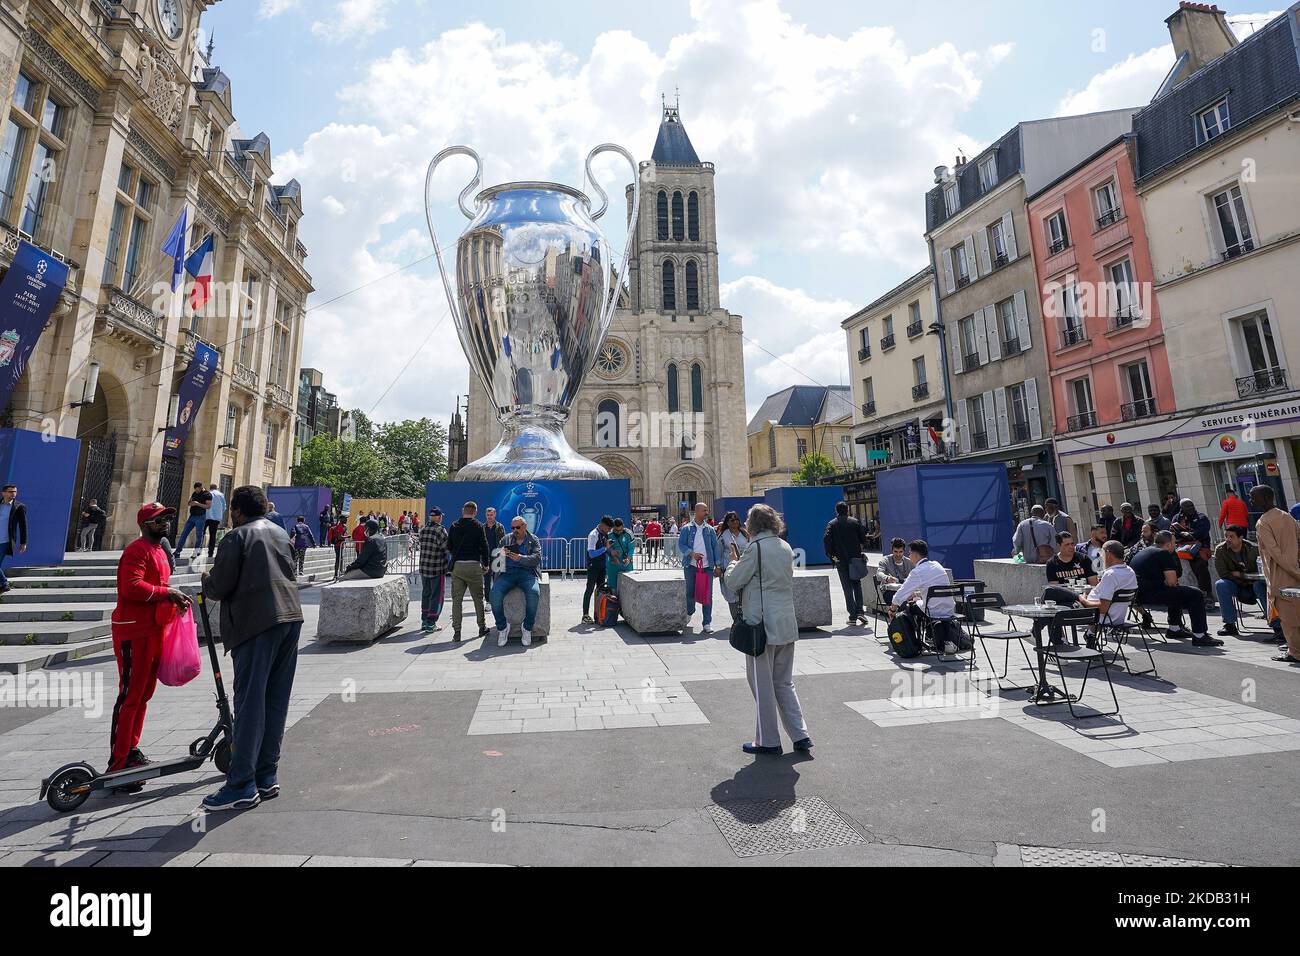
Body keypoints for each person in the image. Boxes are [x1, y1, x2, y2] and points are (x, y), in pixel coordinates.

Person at [200, 484, 304, 811]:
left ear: (237, 511)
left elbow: (220, 586)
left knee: (249, 702)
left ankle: (241, 783)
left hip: (258, 623)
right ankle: (266, 775)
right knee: (275, 699)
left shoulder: (237, 536)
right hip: (290, 619)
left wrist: (205, 578)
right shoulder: (278, 532)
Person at [106, 503, 191, 793]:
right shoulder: (136, 550)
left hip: (153, 631)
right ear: (145, 524)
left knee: (143, 694)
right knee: (130, 695)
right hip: (133, 631)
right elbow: (131, 587)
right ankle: (117, 762)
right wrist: (167, 592)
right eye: (158, 520)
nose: (165, 523)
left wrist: (173, 599)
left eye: (167, 518)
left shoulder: (159, 551)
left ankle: (131, 750)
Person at [723, 504, 810, 756]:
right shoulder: (784, 546)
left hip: (761, 624)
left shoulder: (755, 548)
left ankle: (768, 740)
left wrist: (732, 564)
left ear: (753, 525)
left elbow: (734, 581)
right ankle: (800, 733)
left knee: (762, 684)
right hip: (786, 622)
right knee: (784, 682)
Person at [1129, 531, 1220, 646]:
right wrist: (1169, 581)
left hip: (1137, 596)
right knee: (1195, 594)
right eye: (1174, 543)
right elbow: (1172, 581)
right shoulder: (1163, 553)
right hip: (1151, 595)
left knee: (1176, 592)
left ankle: (1175, 628)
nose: (1176, 545)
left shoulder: (1144, 551)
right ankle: (1200, 635)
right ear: (1168, 544)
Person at [1251, 484, 1300, 663]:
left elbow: (1274, 552)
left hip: (1281, 574)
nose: (1251, 501)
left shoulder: (1263, 522)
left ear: (1264, 499)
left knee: (1289, 618)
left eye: (1253, 497)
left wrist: (1294, 571)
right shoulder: (1287, 516)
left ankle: (1295, 652)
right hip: (1293, 570)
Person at [889, 540, 957, 649]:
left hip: (933, 610)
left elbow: (902, 592)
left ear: (915, 555)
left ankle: (915, 641)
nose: (908, 555)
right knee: (919, 601)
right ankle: (937, 638)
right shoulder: (937, 565)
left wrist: (893, 608)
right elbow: (935, 589)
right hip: (949, 608)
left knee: (909, 607)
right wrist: (917, 593)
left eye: (910, 553)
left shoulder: (917, 572)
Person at [1034, 531, 1099, 645]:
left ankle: (1041, 631)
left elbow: (1094, 585)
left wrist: (1084, 596)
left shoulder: (1083, 559)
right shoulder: (1052, 563)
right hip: (1064, 601)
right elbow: (1055, 589)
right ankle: (1061, 639)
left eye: (1072, 544)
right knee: (1050, 596)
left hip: (1084, 600)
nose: (1071, 547)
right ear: (1059, 546)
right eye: (1067, 545)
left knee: (1049, 603)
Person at [490, 516, 543, 647]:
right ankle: (502, 627)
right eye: (512, 527)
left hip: (527, 573)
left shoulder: (533, 539)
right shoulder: (505, 539)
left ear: (525, 527)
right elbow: (496, 561)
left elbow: (537, 558)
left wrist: (521, 558)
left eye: (517, 527)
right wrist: (500, 554)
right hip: (507, 574)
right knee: (494, 595)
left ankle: (527, 627)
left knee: (534, 593)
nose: (515, 530)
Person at [1213, 524, 1269, 638]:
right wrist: (1242, 579)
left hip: (1254, 583)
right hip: (1236, 584)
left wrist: (1241, 574)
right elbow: (1223, 573)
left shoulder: (1253, 549)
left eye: (1231, 536)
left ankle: (1277, 626)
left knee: (1260, 585)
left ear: (1240, 538)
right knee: (1221, 585)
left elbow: (1261, 570)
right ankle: (1230, 625)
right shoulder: (1220, 550)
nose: (1228, 539)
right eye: (1226, 536)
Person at [447, 501, 490, 643]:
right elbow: (484, 546)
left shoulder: (454, 526)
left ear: (462, 510)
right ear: (475, 512)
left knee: (456, 600)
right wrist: (486, 564)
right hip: (473, 565)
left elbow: (449, 546)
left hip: (458, 566)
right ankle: (481, 627)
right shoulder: (478, 525)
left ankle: (457, 632)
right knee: (478, 599)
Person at [678, 502, 721, 634]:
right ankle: (690, 612)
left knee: (707, 595)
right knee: (690, 593)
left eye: (707, 510)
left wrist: (718, 565)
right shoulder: (686, 529)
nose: (707, 512)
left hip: (707, 567)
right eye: (704, 510)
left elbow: (715, 547)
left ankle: (707, 622)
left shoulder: (710, 530)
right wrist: (692, 554)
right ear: (696, 512)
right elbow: (681, 544)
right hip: (690, 566)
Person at [823, 500, 869, 625]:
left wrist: (832, 555)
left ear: (836, 511)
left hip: (841, 560)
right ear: (847, 510)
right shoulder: (855, 522)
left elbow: (827, 540)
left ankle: (852, 616)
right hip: (855, 559)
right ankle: (860, 612)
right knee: (856, 585)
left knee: (847, 587)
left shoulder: (832, 524)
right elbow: (863, 538)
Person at [1077, 541, 1138, 633]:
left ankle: (1064, 641)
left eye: (1102, 553)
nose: (1101, 557)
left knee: (1060, 607)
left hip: (1103, 617)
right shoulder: (1130, 571)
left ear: (1108, 554)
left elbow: (1103, 608)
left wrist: (1082, 599)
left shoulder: (1110, 575)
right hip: (1118, 617)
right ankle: (1090, 634)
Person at [1171, 498, 1214, 603]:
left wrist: (1190, 535)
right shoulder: (1176, 518)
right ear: (1181, 508)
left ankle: (1206, 593)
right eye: (1187, 506)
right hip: (1181, 547)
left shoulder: (1201, 517)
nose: (1190, 508)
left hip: (1200, 546)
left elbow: (1202, 533)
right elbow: (1173, 532)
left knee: (1200, 564)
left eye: (1191, 505)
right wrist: (1182, 536)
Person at [417, 508, 449, 633]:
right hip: (437, 568)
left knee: (426, 593)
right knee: (437, 595)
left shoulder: (423, 529)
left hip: (424, 567)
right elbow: (446, 548)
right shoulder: (440, 530)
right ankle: (431, 622)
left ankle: (424, 621)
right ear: (439, 517)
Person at [718, 511, 749, 620]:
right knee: (732, 596)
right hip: (729, 568)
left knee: (745, 594)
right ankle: (736, 620)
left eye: (736, 519)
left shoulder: (745, 533)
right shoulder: (723, 536)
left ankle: (745, 619)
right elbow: (719, 552)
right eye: (732, 520)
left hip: (745, 568)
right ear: (727, 522)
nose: (735, 522)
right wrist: (718, 567)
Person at [581, 516, 613, 623]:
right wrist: (605, 548)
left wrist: (612, 555)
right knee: (589, 590)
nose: (609, 531)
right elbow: (592, 553)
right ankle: (585, 615)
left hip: (602, 567)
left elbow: (606, 549)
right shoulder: (593, 535)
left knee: (601, 591)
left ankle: (599, 614)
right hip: (593, 567)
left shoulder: (604, 534)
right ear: (603, 525)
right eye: (609, 528)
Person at [0, 483, 27, 594]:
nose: (13, 494)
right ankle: (4, 584)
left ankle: (5, 583)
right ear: (3, 493)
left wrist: (23, 542)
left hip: (4, 540)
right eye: (11, 492)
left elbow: (23, 525)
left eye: (15, 492)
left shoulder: (19, 507)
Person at [875, 538, 914, 608]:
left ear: (904, 551)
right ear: (892, 550)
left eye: (900, 552)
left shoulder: (909, 562)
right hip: (889, 591)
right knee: (903, 604)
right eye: (895, 552)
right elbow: (879, 574)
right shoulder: (885, 560)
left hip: (905, 590)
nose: (898, 554)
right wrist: (887, 578)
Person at [176, 482, 211, 556]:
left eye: (197, 490)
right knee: (184, 533)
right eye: (195, 490)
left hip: (200, 516)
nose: (196, 491)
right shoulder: (194, 493)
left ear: (201, 488)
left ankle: (196, 552)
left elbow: (208, 506)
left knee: (199, 535)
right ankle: (178, 551)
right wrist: (191, 503)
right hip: (192, 516)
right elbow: (189, 502)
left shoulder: (207, 494)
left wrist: (197, 504)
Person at [605, 518, 635, 592]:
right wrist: (613, 556)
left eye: (620, 530)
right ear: (613, 527)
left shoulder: (629, 534)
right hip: (613, 564)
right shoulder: (608, 534)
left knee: (628, 587)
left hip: (626, 564)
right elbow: (606, 549)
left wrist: (628, 558)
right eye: (616, 530)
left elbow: (631, 548)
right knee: (612, 587)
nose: (618, 532)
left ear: (623, 527)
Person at [482, 506, 505, 595]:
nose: (489, 517)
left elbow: (504, 542)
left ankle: (497, 600)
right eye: (488, 515)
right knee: (486, 581)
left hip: (497, 557)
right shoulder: (482, 527)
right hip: (486, 558)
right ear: (485, 515)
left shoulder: (500, 527)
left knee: (498, 581)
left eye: (491, 515)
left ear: (495, 515)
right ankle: (488, 601)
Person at [205, 483, 226, 558]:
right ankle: (210, 553)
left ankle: (197, 551)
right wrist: (219, 514)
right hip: (216, 519)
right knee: (213, 536)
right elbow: (224, 507)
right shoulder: (221, 495)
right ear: (216, 488)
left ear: (210, 488)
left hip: (206, 517)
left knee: (201, 534)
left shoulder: (207, 494)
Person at [327, 514, 349, 579]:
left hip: (339, 545)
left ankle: (339, 573)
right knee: (338, 559)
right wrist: (347, 537)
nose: (346, 520)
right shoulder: (340, 527)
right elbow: (340, 537)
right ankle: (336, 574)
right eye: (345, 518)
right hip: (338, 545)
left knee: (340, 559)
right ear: (341, 519)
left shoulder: (343, 526)